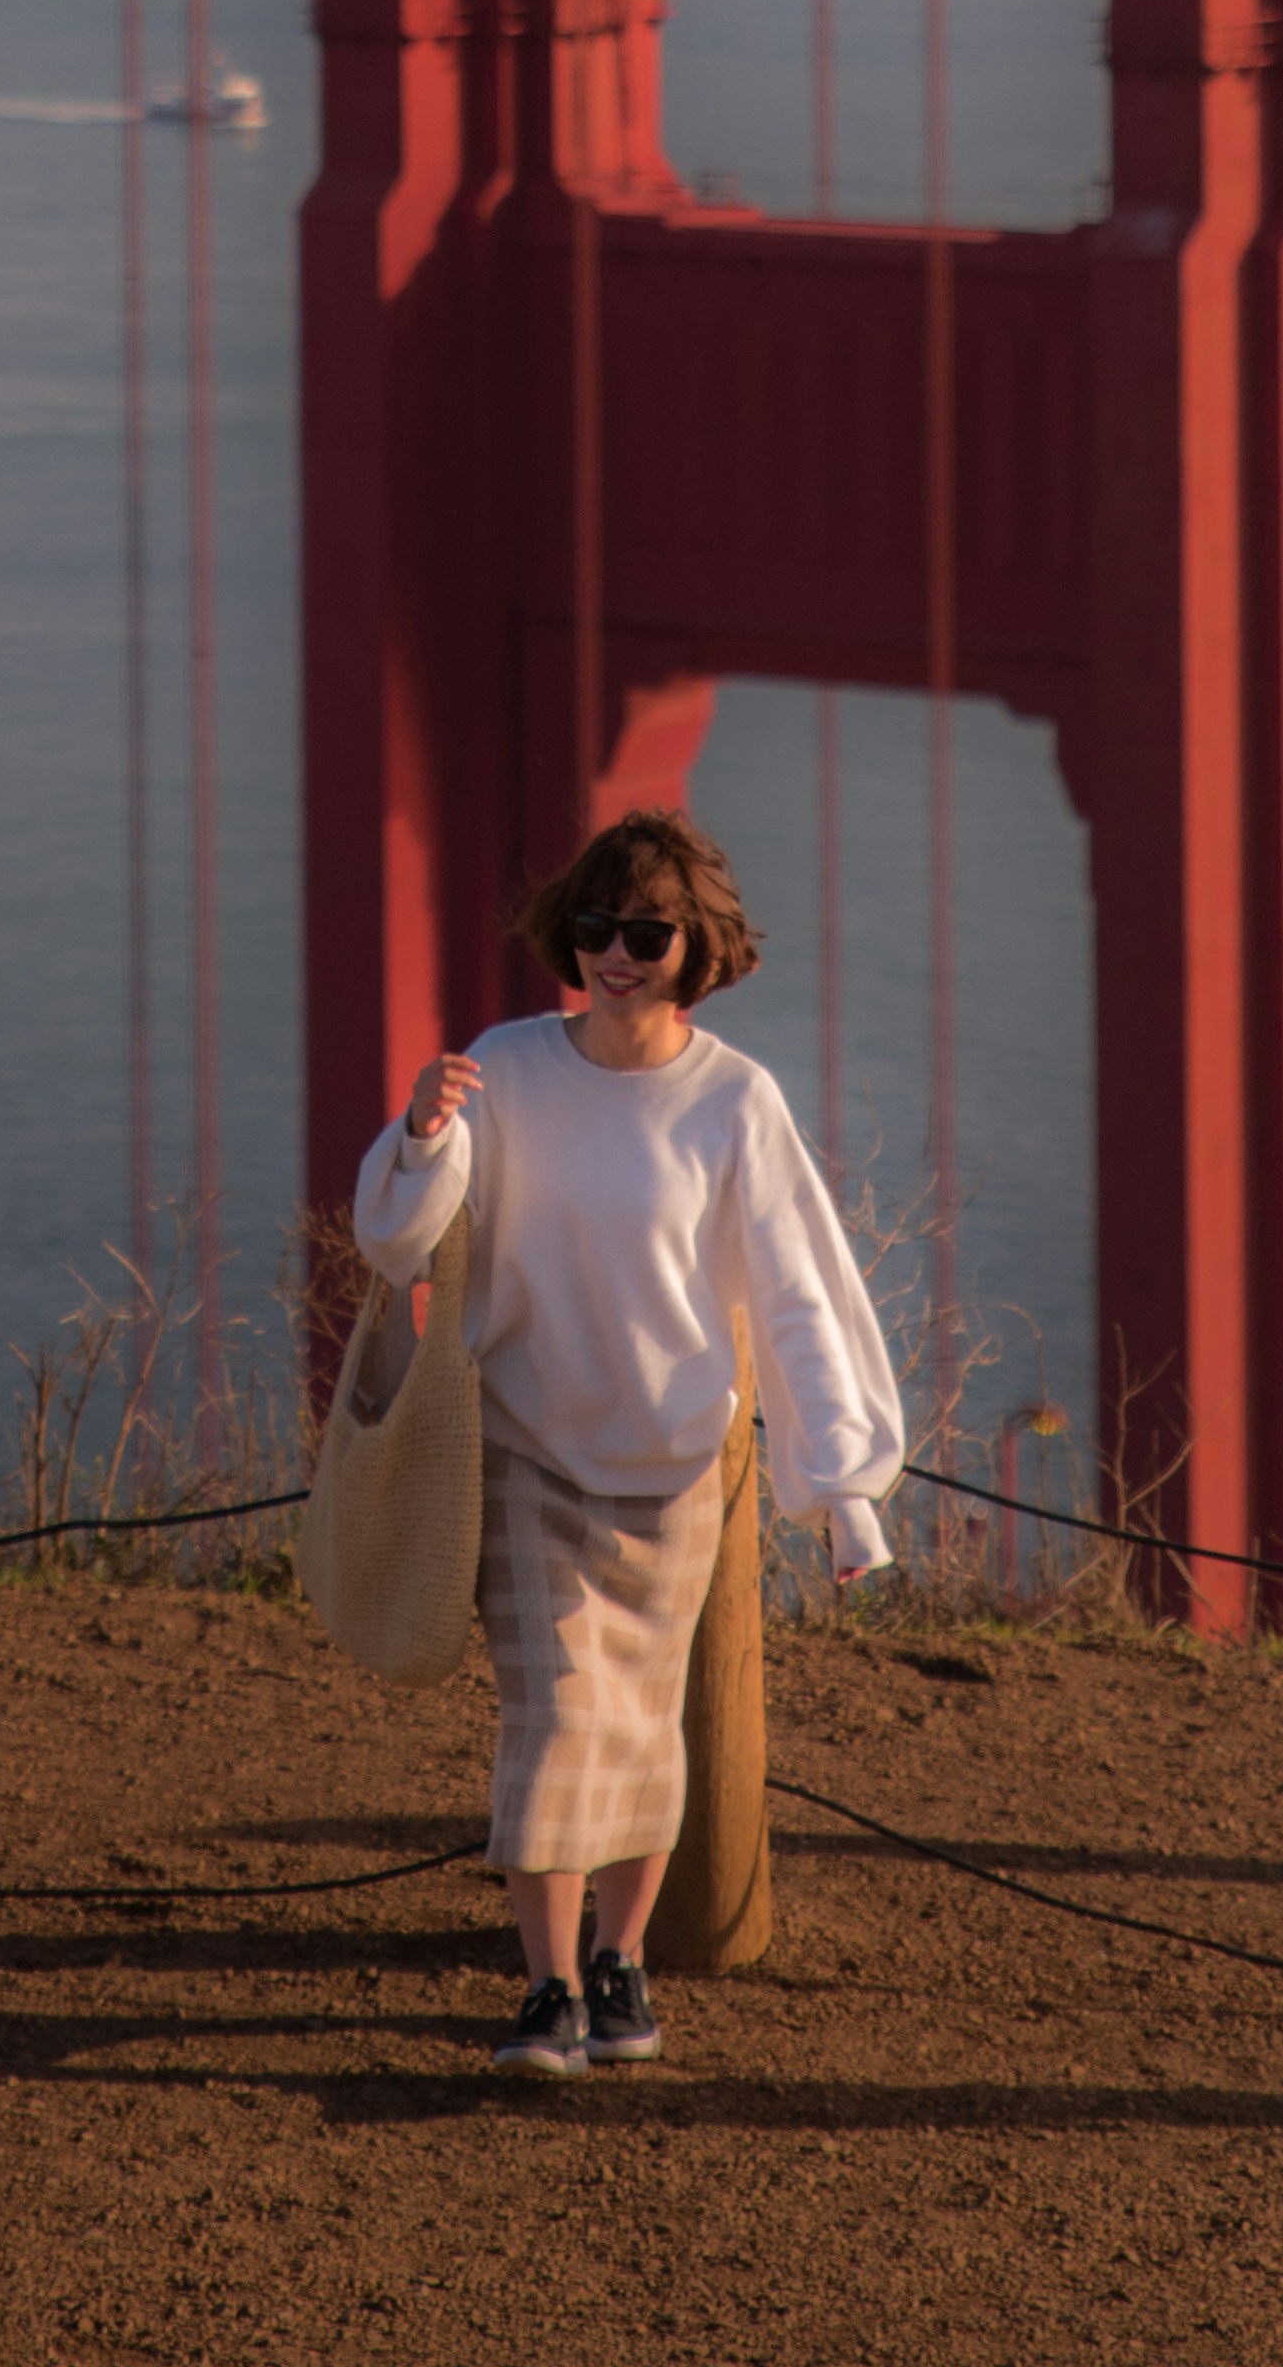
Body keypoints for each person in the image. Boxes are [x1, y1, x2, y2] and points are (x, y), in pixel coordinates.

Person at [351, 807, 903, 2078]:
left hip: (671, 1469)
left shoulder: (733, 1102)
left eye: (644, 932)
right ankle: (546, 1989)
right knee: (551, 1721)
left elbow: (800, 1294)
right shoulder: (505, 1065)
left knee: (646, 1733)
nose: (614, 953)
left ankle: (620, 1962)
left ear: (693, 944)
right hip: (526, 1447)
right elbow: (393, 1236)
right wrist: (424, 1131)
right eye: (594, 926)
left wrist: (844, 1489)